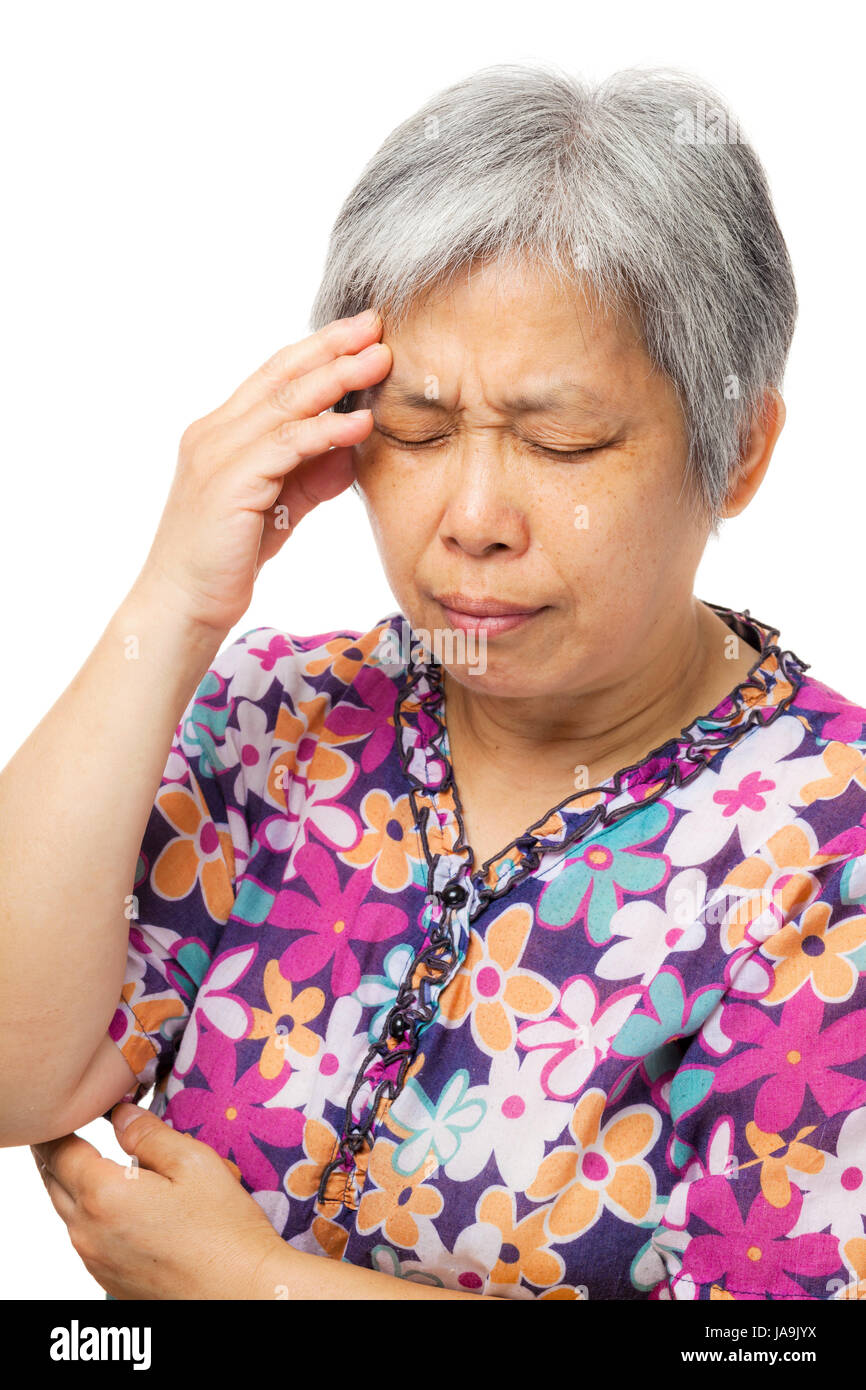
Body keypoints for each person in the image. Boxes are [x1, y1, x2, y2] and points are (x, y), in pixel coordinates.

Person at [4, 61, 866, 1302]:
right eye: (411, 429)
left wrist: (262, 1290)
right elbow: (16, 1074)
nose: (469, 518)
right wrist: (171, 607)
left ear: (736, 452)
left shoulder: (827, 843)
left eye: (560, 440)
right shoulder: (276, 721)